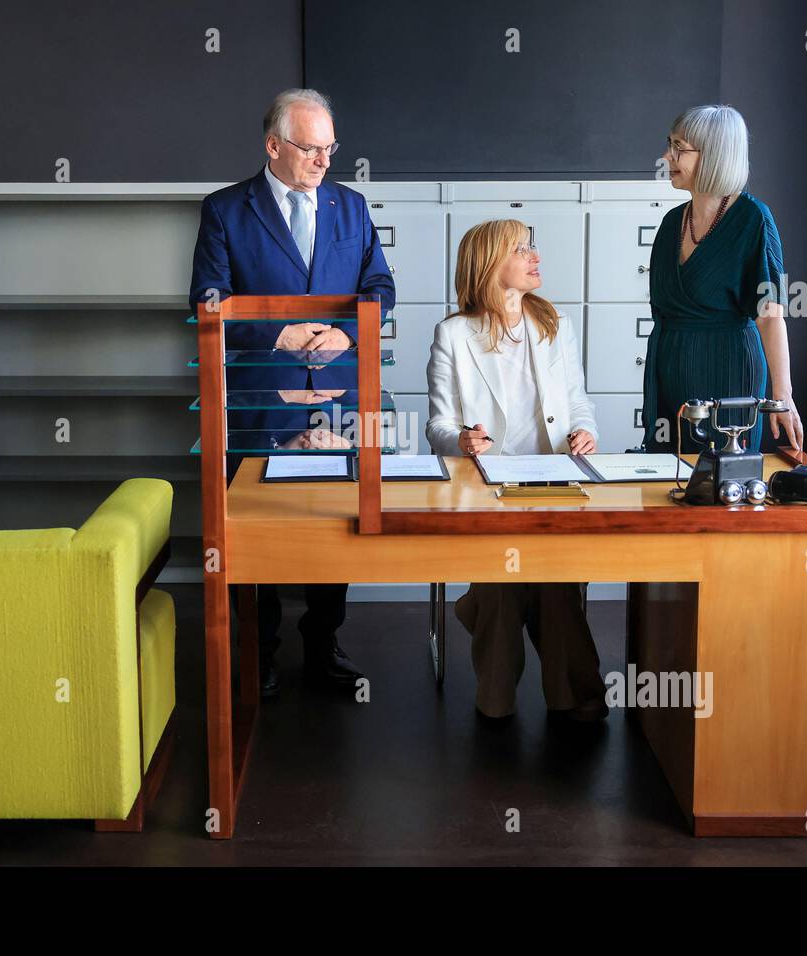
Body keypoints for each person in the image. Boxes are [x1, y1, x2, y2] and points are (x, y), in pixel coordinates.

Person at [189, 88, 396, 698]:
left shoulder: (350, 207)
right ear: (273, 145)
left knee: (333, 519)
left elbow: (380, 285)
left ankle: (322, 641)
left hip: (336, 391)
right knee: (255, 525)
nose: (324, 160)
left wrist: (347, 328)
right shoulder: (226, 210)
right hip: (256, 398)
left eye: (331, 148)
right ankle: (260, 651)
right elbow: (206, 297)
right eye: (310, 148)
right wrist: (277, 334)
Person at [426, 219, 608, 723]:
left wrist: (585, 433)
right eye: (522, 249)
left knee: (544, 579)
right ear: (490, 264)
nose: (535, 256)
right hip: (488, 487)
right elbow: (438, 424)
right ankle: (515, 698)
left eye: (533, 246)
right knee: (512, 580)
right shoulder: (454, 334)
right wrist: (460, 440)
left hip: (554, 480)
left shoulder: (555, 324)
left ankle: (553, 694)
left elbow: (578, 403)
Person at [642, 104, 803, 454]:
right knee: (665, 486)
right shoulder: (672, 223)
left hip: (729, 371)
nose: (667, 156)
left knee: (724, 482)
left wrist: (783, 394)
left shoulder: (752, 218)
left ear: (713, 155)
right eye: (670, 144)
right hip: (670, 368)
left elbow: (770, 313)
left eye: (678, 148)